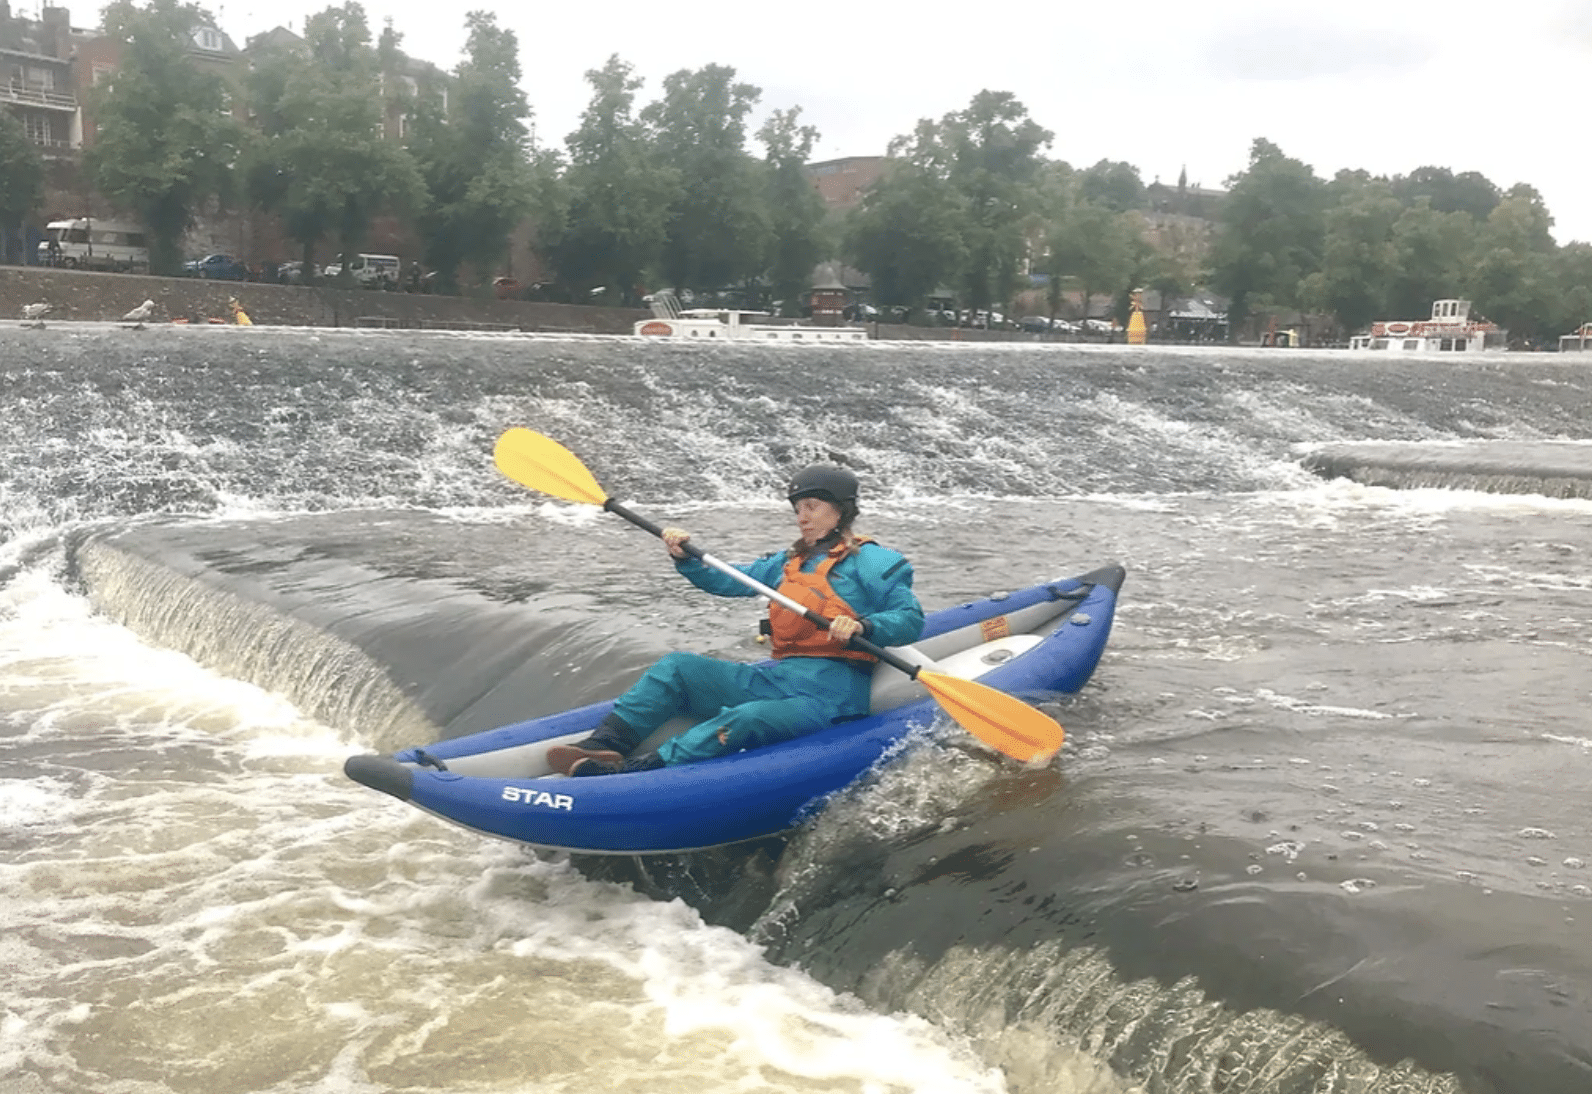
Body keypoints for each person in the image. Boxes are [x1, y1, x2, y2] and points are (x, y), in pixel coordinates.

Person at [548, 466, 924, 777]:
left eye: (812, 506)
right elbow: (726, 578)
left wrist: (863, 626)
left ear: (840, 510)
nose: (802, 517)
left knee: (750, 717)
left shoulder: (874, 561)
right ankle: (604, 745)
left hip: (831, 695)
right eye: (798, 509)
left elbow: (909, 619)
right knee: (678, 667)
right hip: (780, 677)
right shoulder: (788, 562)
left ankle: (642, 769)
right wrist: (685, 558)